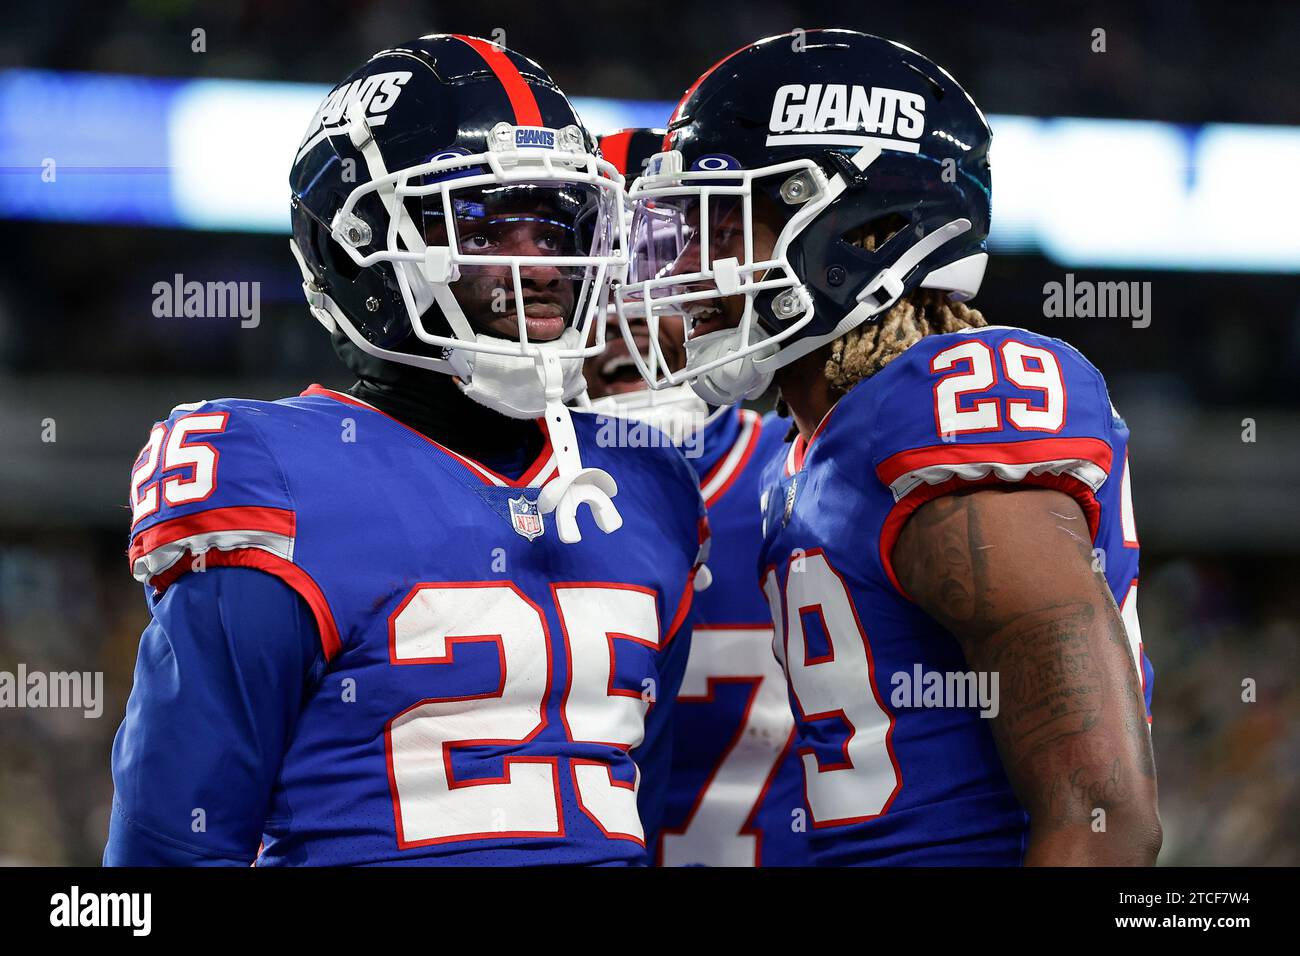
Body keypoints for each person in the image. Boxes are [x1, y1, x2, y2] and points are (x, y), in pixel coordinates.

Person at [106, 34, 706, 867]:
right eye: (490, 222)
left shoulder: (647, 479)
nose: (541, 265)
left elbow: (645, 811)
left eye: (557, 221)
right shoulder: (275, 473)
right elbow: (173, 842)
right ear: (358, 248)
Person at [616, 30, 1160, 865]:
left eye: (724, 221)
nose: (688, 261)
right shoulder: (820, 448)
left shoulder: (952, 404)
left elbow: (1100, 816)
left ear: (861, 228)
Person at [583, 130, 809, 866]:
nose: (622, 310)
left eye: (649, 268)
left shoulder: (808, 473)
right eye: (592, 276)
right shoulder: (480, 487)